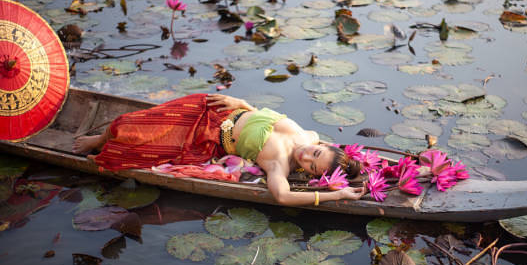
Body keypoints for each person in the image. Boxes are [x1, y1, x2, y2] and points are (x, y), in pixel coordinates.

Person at [73, 93, 366, 206]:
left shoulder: (279, 165)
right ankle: (100, 138)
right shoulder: (308, 134)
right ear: (322, 145)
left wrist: (336, 193)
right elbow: (263, 114)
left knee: (130, 134)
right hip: (209, 108)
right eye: (315, 153)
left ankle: (101, 147)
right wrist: (242, 103)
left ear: (309, 173)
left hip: (202, 138)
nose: (305, 156)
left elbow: (282, 195)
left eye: (311, 166)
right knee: (128, 121)